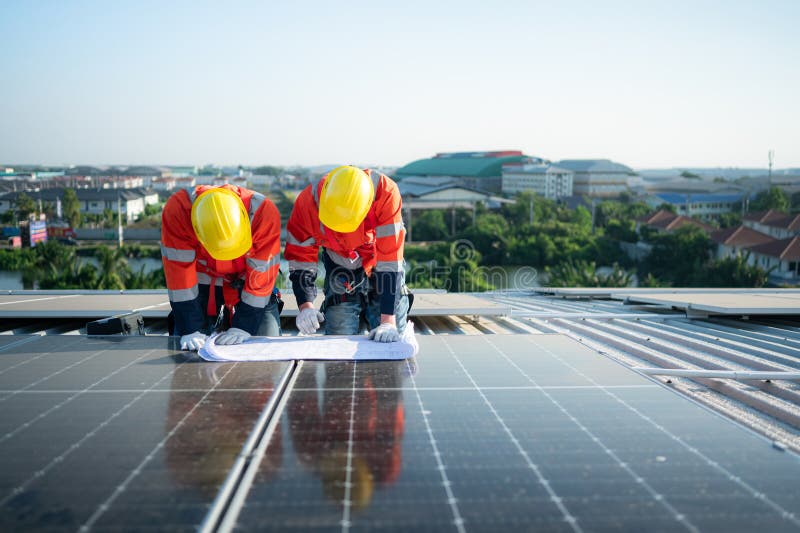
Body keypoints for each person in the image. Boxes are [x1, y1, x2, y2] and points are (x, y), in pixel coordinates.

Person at [284, 165, 410, 342]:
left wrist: (388, 321)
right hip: (340, 264)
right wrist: (306, 306)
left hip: (378, 260)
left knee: (390, 336)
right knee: (339, 333)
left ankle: (377, 312)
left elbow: (390, 259)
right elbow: (300, 259)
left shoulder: (385, 192)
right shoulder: (307, 203)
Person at [161, 184, 282, 351]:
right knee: (190, 347)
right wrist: (189, 328)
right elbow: (179, 275)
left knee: (267, 347)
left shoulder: (263, 212)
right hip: (201, 280)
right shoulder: (179, 210)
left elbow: (263, 272)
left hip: (251, 280)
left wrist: (244, 325)